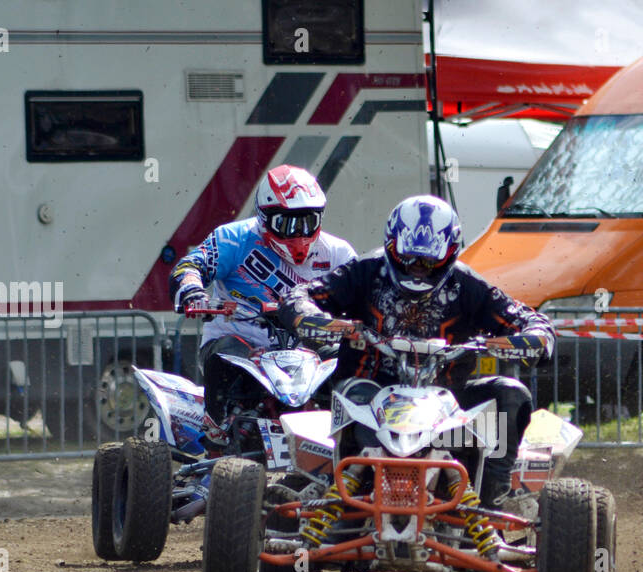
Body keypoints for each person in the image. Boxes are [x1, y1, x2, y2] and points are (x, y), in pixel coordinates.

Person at [277, 194, 554, 544]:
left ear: (449, 253)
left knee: (510, 394)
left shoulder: (468, 285)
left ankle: (488, 503)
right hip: (370, 391)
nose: (417, 268)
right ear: (392, 246)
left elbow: (525, 319)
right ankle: (344, 506)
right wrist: (312, 318)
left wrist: (537, 337)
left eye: (427, 262)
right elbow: (302, 296)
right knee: (349, 392)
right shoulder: (364, 272)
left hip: (448, 403)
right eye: (407, 259)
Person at [169, 165, 355, 452]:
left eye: (308, 221)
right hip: (240, 342)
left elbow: (363, 296)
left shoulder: (337, 252)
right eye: (287, 223)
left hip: (307, 346)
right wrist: (193, 291)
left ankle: (350, 435)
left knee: (352, 359)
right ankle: (217, 430)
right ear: (265, 217)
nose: (298, 234)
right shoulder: (233, 239)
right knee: (227, 356)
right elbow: (191, 265)